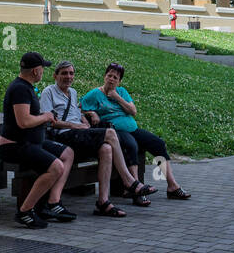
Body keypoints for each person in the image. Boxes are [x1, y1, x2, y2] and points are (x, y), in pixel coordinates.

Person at [41, 61, 154, 215]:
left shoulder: (72, 92)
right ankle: (129, 181)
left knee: (106, 149)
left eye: (71, 73)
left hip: (78, 135)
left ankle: (103, 202)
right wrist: (76, 126)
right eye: (64, 73)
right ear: (55, 76)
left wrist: (85, 117)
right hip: (63, 136)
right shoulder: (48, 92)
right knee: (110, 133)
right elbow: (48, 121)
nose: (68, 77)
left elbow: (77, 112)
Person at [81, 62, 191, 199]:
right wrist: (92, 113)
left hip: (132, 129)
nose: (111, 79)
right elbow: (80, 106)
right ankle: (136, 189)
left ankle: (172, 185)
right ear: (104, 76)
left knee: (158, 144)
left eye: (115, 78)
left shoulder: (121, 92)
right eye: (109, 76)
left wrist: (116, 96)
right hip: (114, 131)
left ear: (119, 81)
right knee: (131, 145)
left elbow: (133, 111)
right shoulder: (94, 94)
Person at [0, 52, 77, 228]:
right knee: (56, 167)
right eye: (42, 68)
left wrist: (42, 116)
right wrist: (46, 116)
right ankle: (25, 211)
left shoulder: (28, 87)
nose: (43, 72)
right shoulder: (20, 89)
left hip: (31, 142)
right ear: (35, 71)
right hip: (15, 146)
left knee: (67, 153)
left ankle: (53, 202)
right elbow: (24, 121)